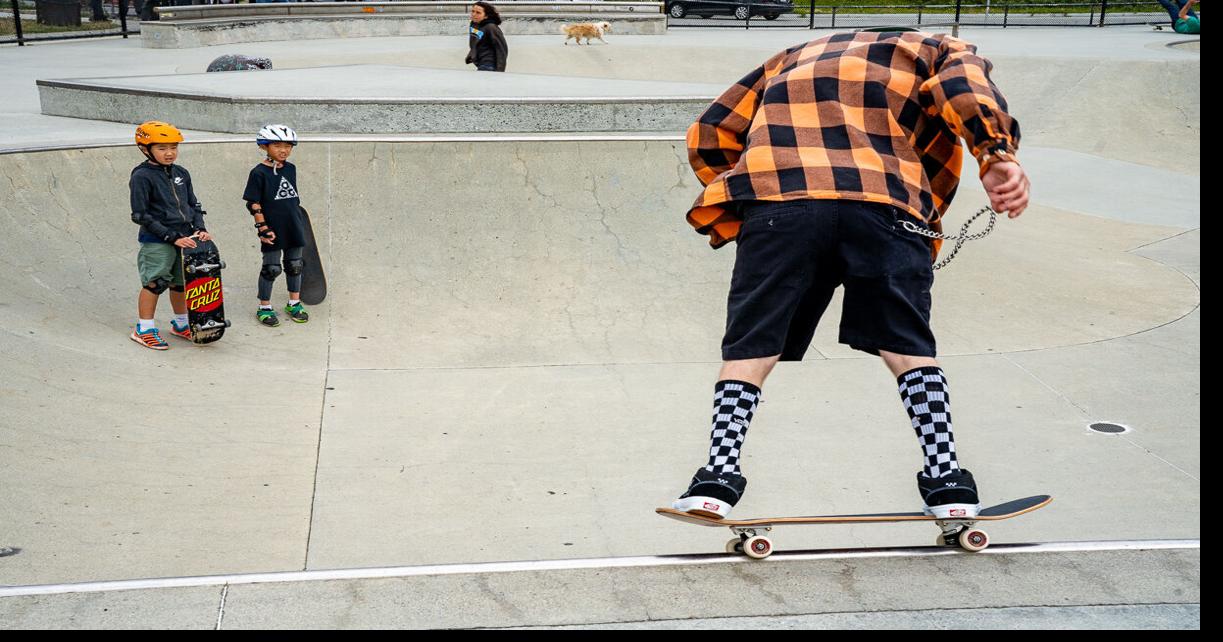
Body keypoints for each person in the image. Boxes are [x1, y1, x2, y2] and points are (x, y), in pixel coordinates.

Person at [671, 31, 1030, 521]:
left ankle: (715, 477)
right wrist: (995, 153)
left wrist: (749, 191)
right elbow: (964, 89)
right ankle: (947, 482)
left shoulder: (789, 59)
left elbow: (711, 130)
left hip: (781, 204)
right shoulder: (936, 48)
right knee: (908, 345)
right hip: (884, 200)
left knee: (751, 346)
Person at [129, 121, 213, 350]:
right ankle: (143, 329)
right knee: (156, 283)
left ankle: (180, 323)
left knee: (180, 284)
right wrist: (170, 237)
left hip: (186, 239)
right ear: (145, 149)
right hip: (158, 240)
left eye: (173, 147)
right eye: (162, 148)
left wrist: (200, 228)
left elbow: (193, 204)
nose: (169, 153)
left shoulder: (181, 173)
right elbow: (140, 214)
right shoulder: (142, 176)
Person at [243, 125, 310, 327]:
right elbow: (253, 203)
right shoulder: (258, 173)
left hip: (293, 224)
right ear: (264, 146)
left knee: (295, 265)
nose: (284, 150)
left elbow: (290, 198)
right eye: (277, 145)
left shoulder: (290, 169)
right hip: (272, 227)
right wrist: (262, 227)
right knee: (271, 268)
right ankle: (264, 306)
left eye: (288, 145)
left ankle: (294, 303)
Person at [466, 2, 509, 72]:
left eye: (478, 13)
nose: (474, 14)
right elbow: (476, 41)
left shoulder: (491, 27)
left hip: (489, 64)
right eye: (473, 11)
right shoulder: (474, 24)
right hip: (480, 62)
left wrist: (500, 71)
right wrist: (472, 53)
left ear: (486, 16)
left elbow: (502, 49)